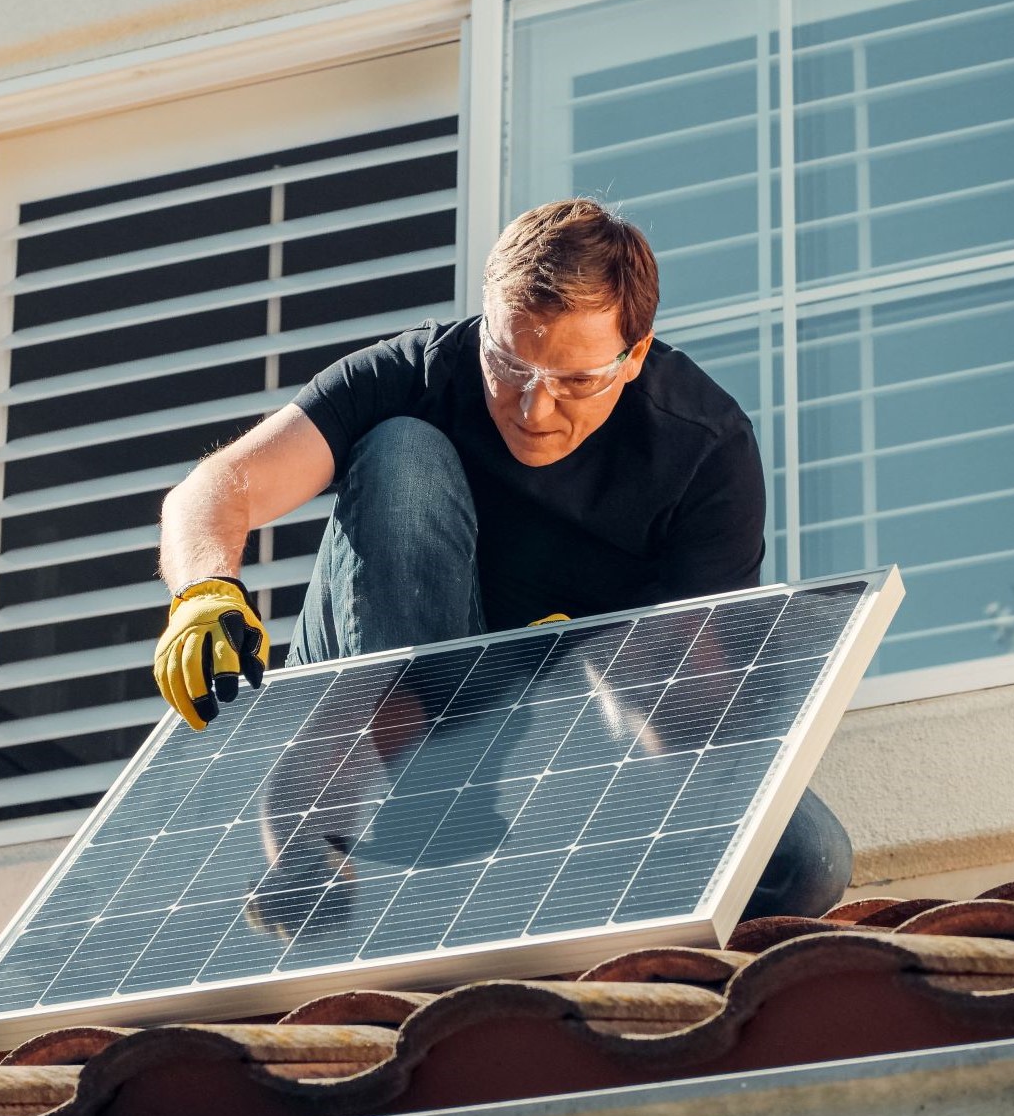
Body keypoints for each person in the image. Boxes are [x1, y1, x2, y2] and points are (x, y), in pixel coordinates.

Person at [152, 198, 852, 920]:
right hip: (400, 702)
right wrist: (203, 592)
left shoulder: (703, 450)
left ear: (635, 354)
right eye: (508, 364)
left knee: (801, 863)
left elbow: (710, 717)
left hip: (569, 738)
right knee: (402, 449)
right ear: (484, 324)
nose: (533, 408)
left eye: (576, 381)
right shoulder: (420, 372)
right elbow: (217, 488)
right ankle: (389, 790)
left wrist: (622, 676)